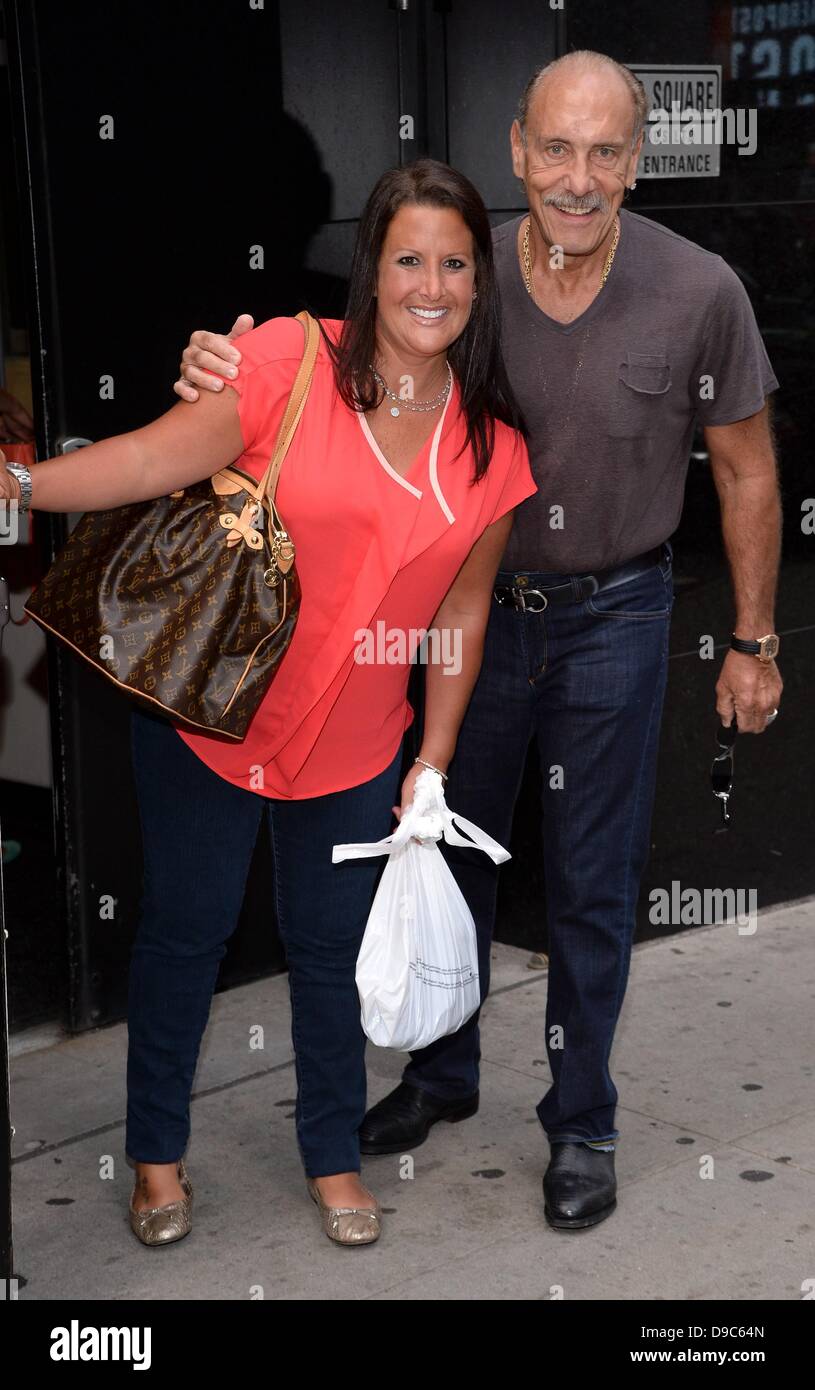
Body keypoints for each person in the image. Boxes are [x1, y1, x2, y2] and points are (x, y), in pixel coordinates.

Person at [175, 51, 782, 1233]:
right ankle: (441, 1079)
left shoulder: (698, 287)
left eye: (605, 152)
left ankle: (583, 1121)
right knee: (441, 850)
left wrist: (754, 640)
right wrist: (220, 361)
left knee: (591, 887)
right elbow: (326, 370)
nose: (577, 177)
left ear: (635, 163)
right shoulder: (459, 275)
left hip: (617, 613)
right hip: (459, 617)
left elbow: (747, 468)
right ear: (516, 148)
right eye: (555, 147)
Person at [0, 158, 537, 1248]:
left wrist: (430, 762)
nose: (428, 285)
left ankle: (332, 1156)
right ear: (369, 269)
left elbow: (462, 618)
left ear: (478, 283)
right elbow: (153, 459)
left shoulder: (494, 450)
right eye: (406, 260)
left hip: (352, 748)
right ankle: (155, 1157)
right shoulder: (292, 359)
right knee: (183, 938)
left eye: (452, 264)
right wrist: (19, 489)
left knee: (330, 955)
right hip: (211, 715)